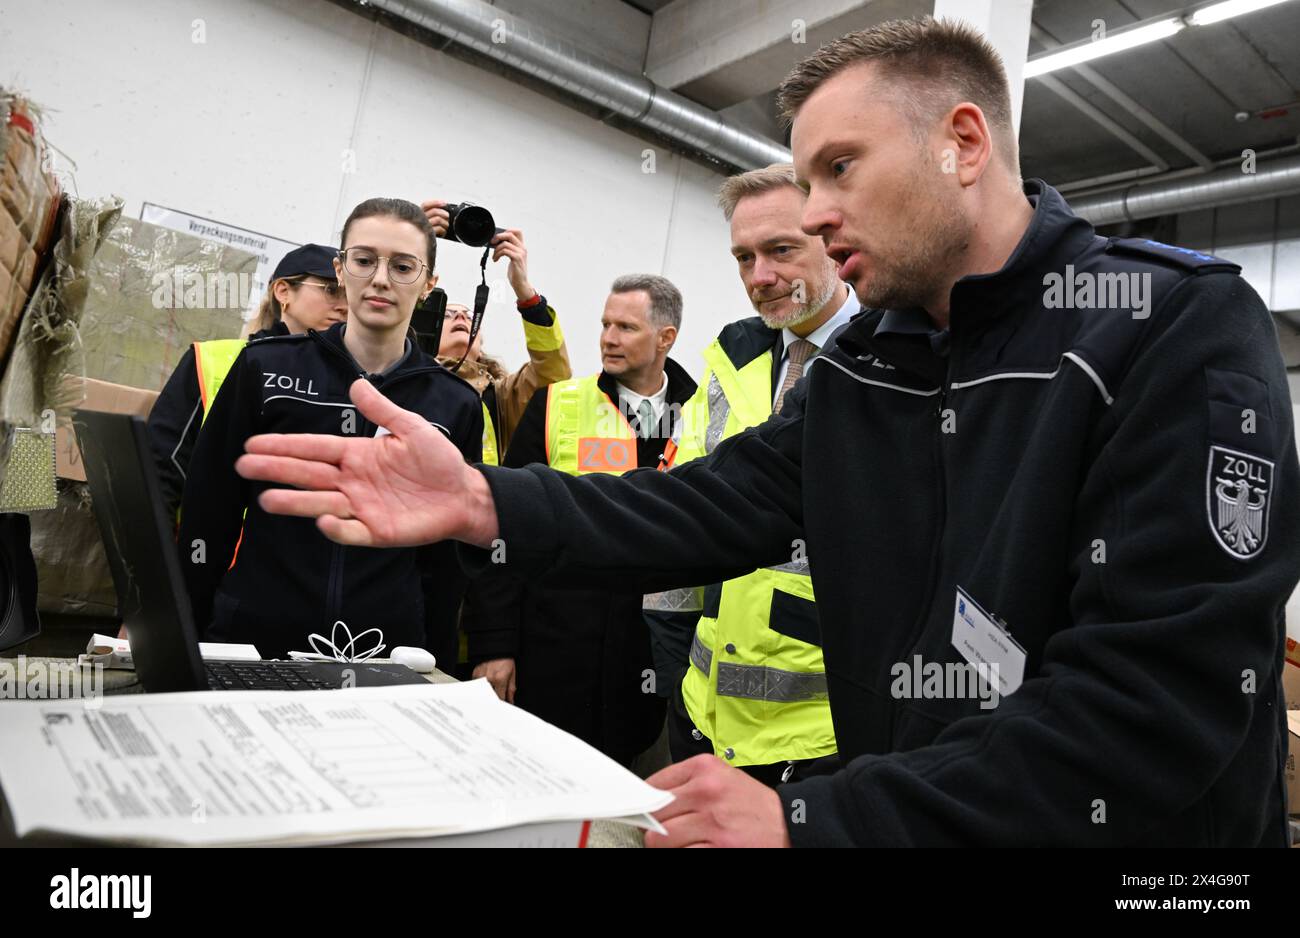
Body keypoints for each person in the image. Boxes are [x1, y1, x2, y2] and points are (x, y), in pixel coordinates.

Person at [236, 17, 1300, 847]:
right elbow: (704, 502)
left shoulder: (1166, 327)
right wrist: (483, 499)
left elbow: (1152, 706)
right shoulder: (866, 365)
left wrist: (819, 820)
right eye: (803, 178)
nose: (816, 210)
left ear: (962, 145)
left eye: (838, 167)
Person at [180, 197, 482, 664]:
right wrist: (187, 636)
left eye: (403, 266)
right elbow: (208, 512)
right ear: (341, 270)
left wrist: (434, 662)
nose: (380, 278)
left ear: (428, 285)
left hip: (387, 653)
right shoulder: (266, 367)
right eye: (364, 260)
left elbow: (446, 561)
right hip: (253, 640)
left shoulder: (454, 403)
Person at [645, 162, 856, 785]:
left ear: (833, 237)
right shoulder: (732, 354)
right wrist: (671, 653)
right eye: (743, 257)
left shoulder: (897, 359)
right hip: (703, 710)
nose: (760, 277)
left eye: (781, 250)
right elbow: (685, 507)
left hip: (822, 731)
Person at [469, 274, 696, 768]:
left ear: (666, 338)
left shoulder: (698, 416)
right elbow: (503, 530)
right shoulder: (557, 404)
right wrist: (495, 644)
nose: (608, 339)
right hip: (550, 648)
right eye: (605, 324)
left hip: (647, 662)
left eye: (626, 327)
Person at [147, 244, 347, 518]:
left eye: (352, 295)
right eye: (331, 290)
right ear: (283, 291)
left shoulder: (352, 384)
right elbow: (162, 468)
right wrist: (161, 555)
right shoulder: (210, 358)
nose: (344, 306)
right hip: (205, 551)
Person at [421, 201, 572, 463]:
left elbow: (553, 374)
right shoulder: (403, 370)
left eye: (470, 316)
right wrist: (412, 242)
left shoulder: (500, 395)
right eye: (447, 313)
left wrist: (526, 294)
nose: (460, 317)